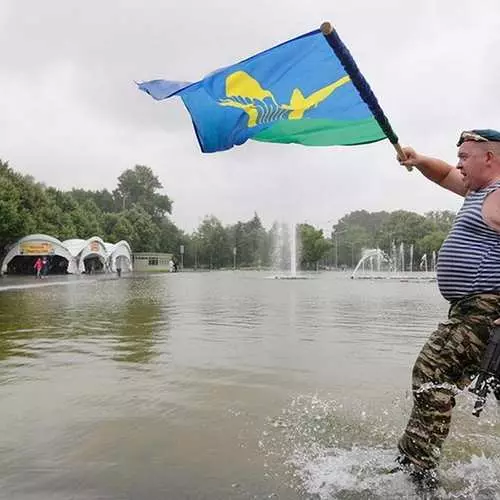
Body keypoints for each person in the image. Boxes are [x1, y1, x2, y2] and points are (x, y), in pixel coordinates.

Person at [395, 129, 500, 488]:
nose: (458, 163)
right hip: (471, 310)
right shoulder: (477, 191)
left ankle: (417, 469)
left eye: (465, 156)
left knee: (431, 374)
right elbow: (442, 174)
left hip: (486, 312)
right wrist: (419, 159)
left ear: (489, 158)